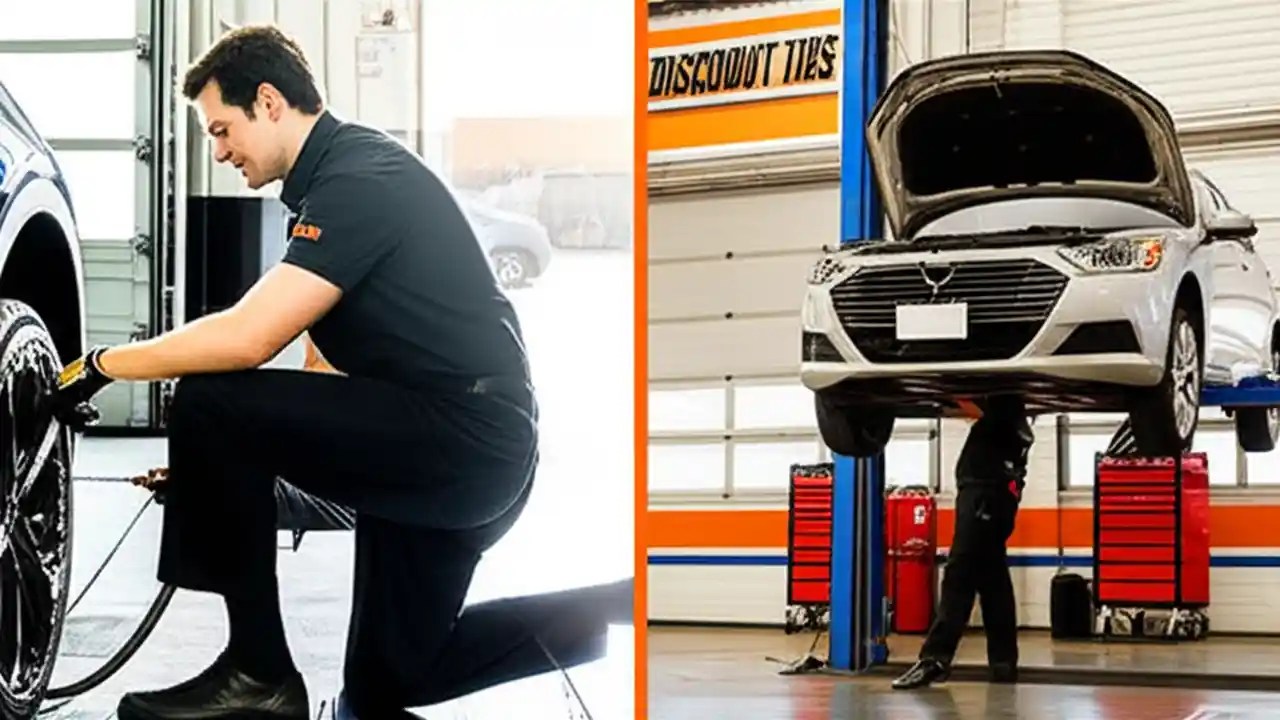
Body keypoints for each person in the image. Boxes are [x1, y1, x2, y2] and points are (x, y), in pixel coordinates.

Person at [53, 24, 629, 720]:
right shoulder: (331, 185)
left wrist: (101, 365)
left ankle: (257, 671)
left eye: (222, 130)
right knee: (388, 684)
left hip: (465, 440)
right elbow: (324, 397)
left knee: (210, 401)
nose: (220, 151)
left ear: (270, 103)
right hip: (450, 450)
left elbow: (247, 339)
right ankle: (616, 606)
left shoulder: (359, 179)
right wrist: (226, 483)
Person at [890, 394, 1031, 690]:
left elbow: (973, 406)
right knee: (993, 581)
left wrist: (951, 397)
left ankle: (935, 659)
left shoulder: (1001, 420)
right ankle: (1003, 662)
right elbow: (972, 411)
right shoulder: (1011, 428)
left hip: (983, 500)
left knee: (959, 574)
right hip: (992, 500)